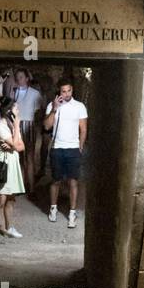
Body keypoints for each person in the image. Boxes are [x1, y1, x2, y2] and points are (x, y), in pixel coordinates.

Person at [43, 77, 87, 229]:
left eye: (69, 91)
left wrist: (80, 146)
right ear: (59, 92)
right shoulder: (52, 105)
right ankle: (53, 208)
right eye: (63, 91)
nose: (67, 94)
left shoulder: (80, 106)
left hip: (73, 148)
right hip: (57, 148)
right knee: (56, 180)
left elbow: (83, 128)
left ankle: (72, 212)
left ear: (72, 90)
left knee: (73, 181)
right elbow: (47, 126)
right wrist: (55, 108)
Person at [0, 97, 25, 245]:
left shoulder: (11, 126)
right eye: (16, 109)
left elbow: (21, 147)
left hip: (13, 164)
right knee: (0, 200)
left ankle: (8, 228)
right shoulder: (0, 126)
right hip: (3, 165)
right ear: (9, 111)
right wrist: (15, 141)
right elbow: (16, 143)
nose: (18, 111)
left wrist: (16, 130)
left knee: (11, 198)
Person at [10, 66, 45, 192]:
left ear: (26, 78)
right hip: (16, 125)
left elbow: (40, 111)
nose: (19, 79)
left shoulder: (35, 94)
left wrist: (37, 125)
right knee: (18, 157)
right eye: (17, 77)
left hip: (29, 125)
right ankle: (20, 186)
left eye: (21, 77)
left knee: (29, 158)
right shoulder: (13, 92)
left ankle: (31, 188)